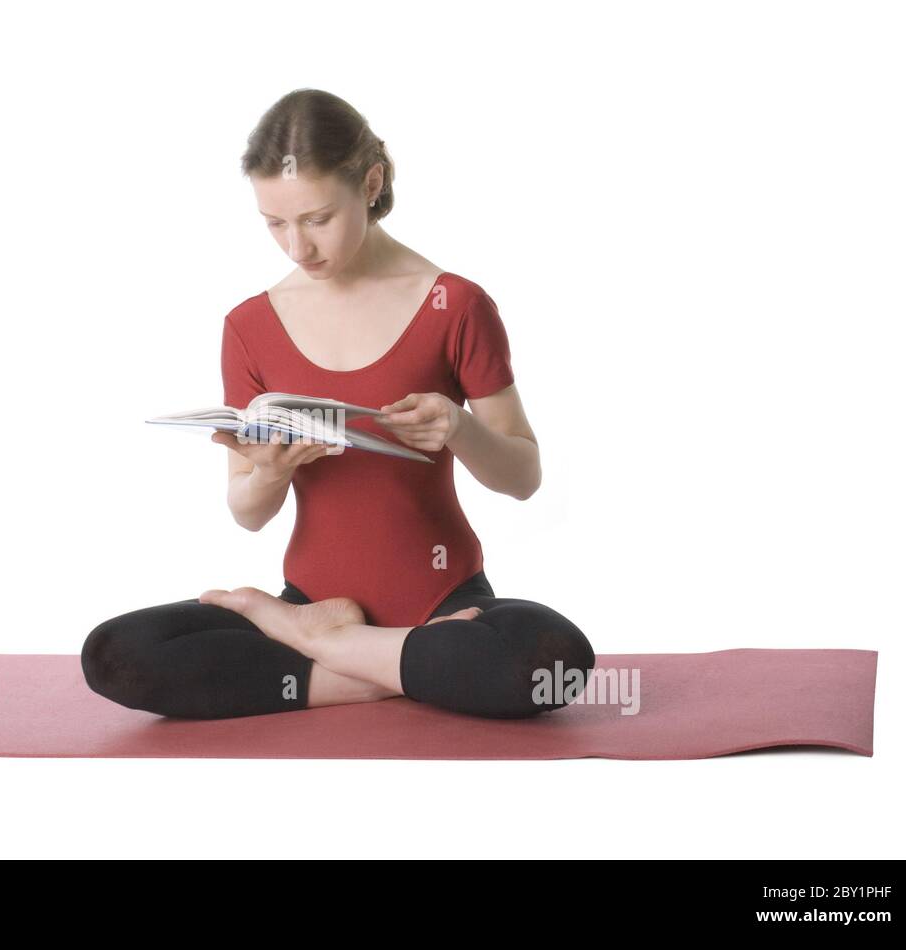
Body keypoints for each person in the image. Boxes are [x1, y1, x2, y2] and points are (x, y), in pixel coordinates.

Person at [81, 88, 594, 720]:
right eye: (275, 224)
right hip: (307, 601)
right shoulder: (250, 325)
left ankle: (329, 651)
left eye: (317, 219)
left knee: (552, 664)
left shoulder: (455, 305)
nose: (297, 248)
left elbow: (523, 477)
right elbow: (247, 513)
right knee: (114, 653)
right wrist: (269, 473)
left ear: (371, 184)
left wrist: (459, 427)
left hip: (446, 607)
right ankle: (377, 664)